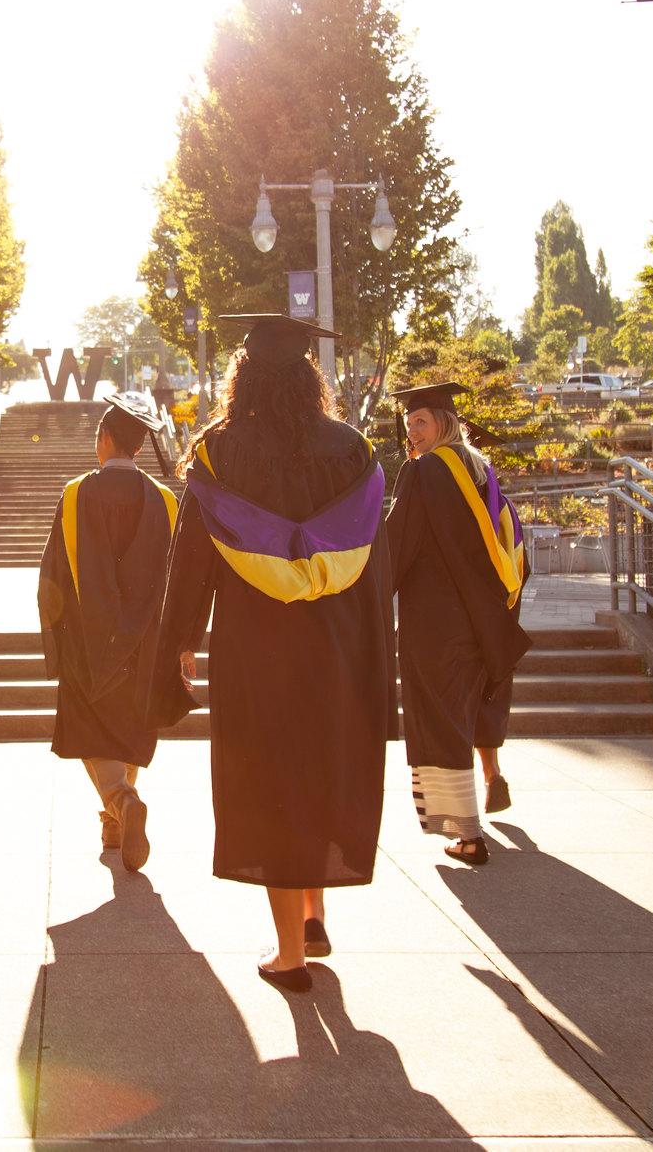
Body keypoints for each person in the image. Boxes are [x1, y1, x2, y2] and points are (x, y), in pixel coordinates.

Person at [149, 314, 394, 994]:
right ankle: (314, 914)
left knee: (270, 784)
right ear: (310, 378)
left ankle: (289, 954)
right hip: (336, 642)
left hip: (255, 646)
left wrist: (181, 638)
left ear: (245, 377)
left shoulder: (220, 452)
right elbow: (375, 562)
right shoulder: (352, 450)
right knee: (320, 771)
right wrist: (377, 648)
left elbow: (191, 556)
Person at [388, 381, 532, 867]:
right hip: (477, 620)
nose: (413, 432)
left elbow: (398, 541)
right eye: (409, 424)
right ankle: (468, 822)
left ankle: (467, 835)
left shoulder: (424, 471)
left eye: (421, 422)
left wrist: (362, 592)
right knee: (458, 717)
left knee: (441, 722)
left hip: (434, 624)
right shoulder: (480, 472)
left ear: (444, 423)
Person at [37, 391, 177, 872]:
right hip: (144, 642)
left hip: (87, 638)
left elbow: (55, 572)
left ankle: (121, 800)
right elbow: (173, 577)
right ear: (138, 445)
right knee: (129, 728)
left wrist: (54, 631)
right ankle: (114, 821)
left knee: (90, 729)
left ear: (104, 438)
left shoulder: (77, 493)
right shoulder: (165, 500)